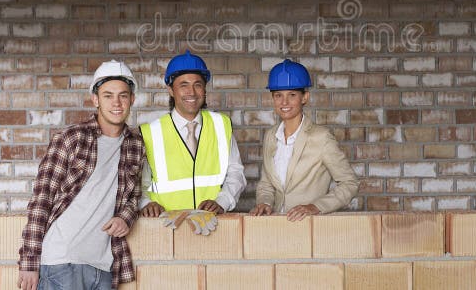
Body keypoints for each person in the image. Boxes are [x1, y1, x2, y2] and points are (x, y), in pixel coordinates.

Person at [18, 60, 145, 290]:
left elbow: (134, 197)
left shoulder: (135, 145)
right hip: (62, 262)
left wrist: (125, 217)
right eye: (108, 95)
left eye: (123, 96)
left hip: (104, 266)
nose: (116, 103)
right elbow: (41, 201)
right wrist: (29, 262)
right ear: (95, 99)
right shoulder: (71, 139)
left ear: (132, 99)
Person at [139, 50, 246, 217]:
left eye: (197, 84)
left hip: (213, 226)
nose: (192, 92)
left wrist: (221, 202)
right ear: (171, 90)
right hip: (167, 229)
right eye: (184, 85)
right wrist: (146, 203)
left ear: (204, 89)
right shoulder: (150, 132)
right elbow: (140, 185)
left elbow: (236, 173)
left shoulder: (221, 125)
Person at [250, 59, 359, 222]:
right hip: (274, 227)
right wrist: (264, 202)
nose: (284, 102)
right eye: (278, 95)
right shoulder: (271, 136)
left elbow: (350, 183)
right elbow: (267, 184)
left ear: (304, 97)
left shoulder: (321, 137)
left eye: (292, 95)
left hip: (309, 228)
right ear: (272, 98)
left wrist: (317, 206)